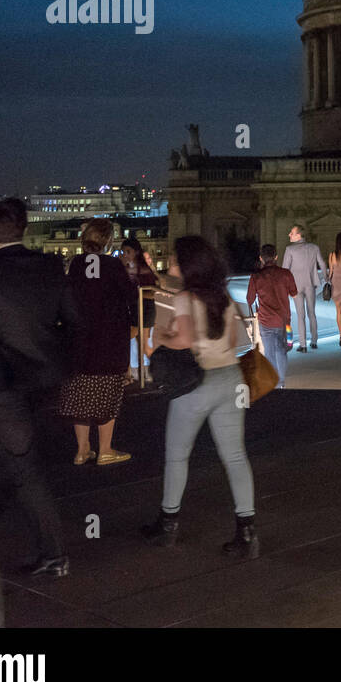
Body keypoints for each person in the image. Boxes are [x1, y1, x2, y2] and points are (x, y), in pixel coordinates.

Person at [0, 198, 78, 577]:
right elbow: (73, 320)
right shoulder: (50, 265)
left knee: (22, 469)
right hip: (46, 380)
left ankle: (55, 555)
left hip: (2, 385)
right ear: (25, 227)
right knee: (10, 465)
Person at [142, 236, 258, 558]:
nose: (172, 264)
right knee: (235, 456)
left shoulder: (185, 298)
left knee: (178, 454)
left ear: (189, 265)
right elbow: (236, 339)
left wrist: (162, 335)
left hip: (198, 382)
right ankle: (247, 532)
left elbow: (184, 340)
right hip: (231, 378)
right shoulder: (223, 296)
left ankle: (168, 524)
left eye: (177, 259)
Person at [58, 219, 135, 466]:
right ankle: (105, 449)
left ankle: (82, 450)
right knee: (107, 395)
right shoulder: (112, 265)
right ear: (108, 241)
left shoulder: (76, 264)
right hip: (109, 340)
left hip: (79, 342)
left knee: (80, 395)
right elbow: (131, 295)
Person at [246, 244, 297, 387]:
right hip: (285, 321)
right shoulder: (286, 274)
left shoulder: (256, 276)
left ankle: (274, 383)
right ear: (276, 257)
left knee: (269, 351)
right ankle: (281, 382)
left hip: (266, 320)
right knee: (283, 349)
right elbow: (294, 293)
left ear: (261, 258)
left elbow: (249, 299)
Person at [281, 224, 327, 352]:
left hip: (295, 286)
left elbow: (285, 270)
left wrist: (284, 287)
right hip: (310, 283)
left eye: (292, 233)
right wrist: (326, 278)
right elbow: (322, 263)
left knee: (300, 315)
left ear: (298, 235)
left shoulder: (289, 249)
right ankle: (314, 341)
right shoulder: (314, 248)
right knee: (312, 313)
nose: (289, 234)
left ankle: (303, 344)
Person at [120, 236, 158, 383]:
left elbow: (151, 291)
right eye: (123, 252)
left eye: (128, 251)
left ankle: (152, 371)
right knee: (134, 343)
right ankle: (131, 374)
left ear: (136, 252)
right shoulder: (127, 269)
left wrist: (135, 293)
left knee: (141, 345)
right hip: (136, 309)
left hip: (144, 309)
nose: (124, 254)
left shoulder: (142, 270)